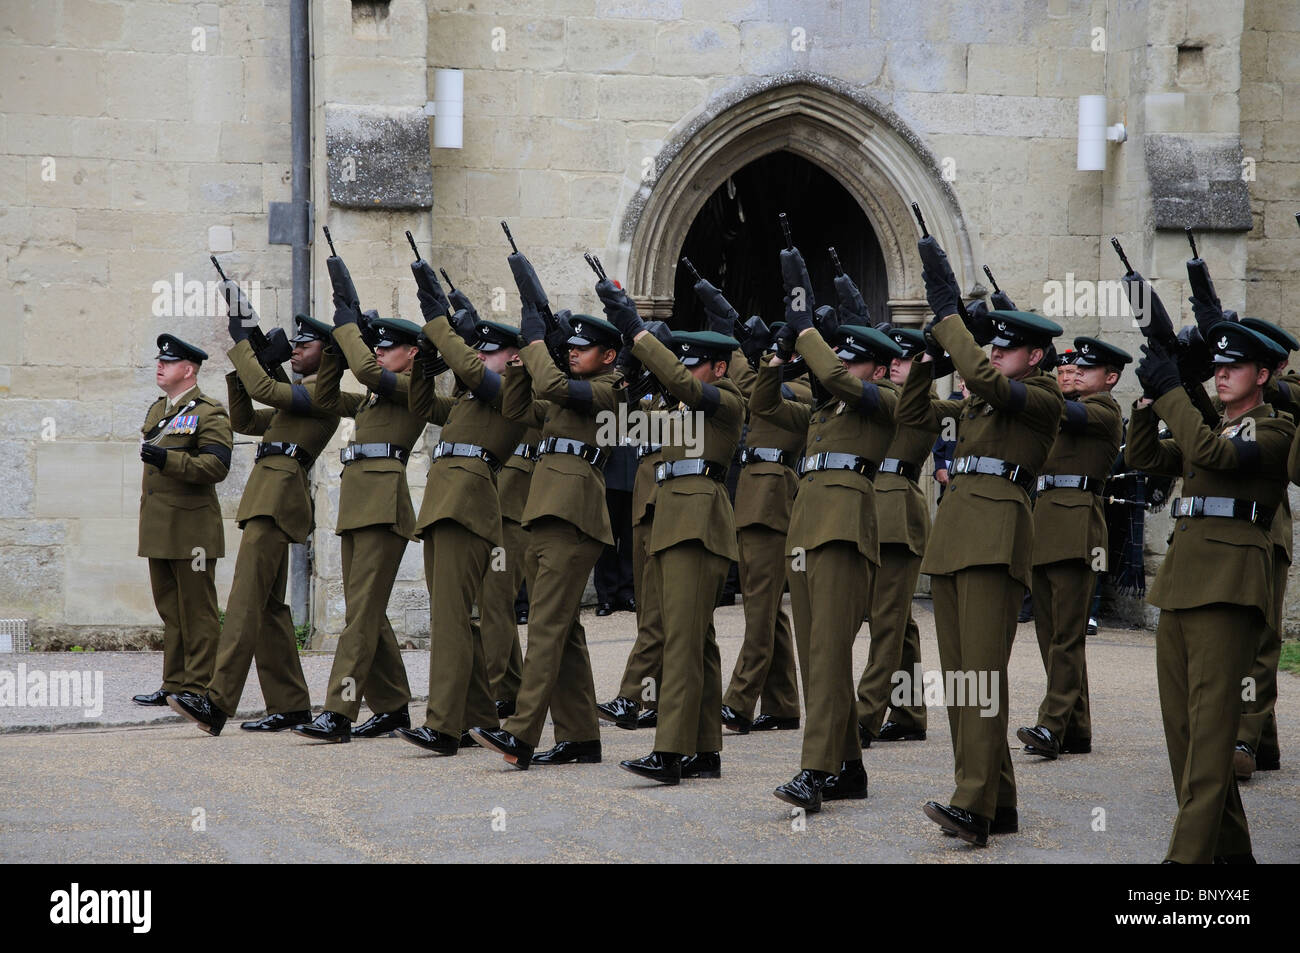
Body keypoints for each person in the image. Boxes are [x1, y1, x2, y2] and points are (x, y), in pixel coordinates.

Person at [898, 243, 1064, 845]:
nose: (994, 354)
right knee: (962, 679)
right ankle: (1002, 800)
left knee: (980, 679)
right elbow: (914, 416)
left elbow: (985, 381)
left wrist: (951, 320)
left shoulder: (1043, 399)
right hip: (955, 539)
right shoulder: (978, 405)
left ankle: (972, 803)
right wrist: (925, 354)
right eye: (990, 346)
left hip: (996, 541)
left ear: (1035, 355)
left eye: (1006, 347)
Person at [1126, 322, 1291, 863]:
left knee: (1211, 737)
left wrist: (1175, 389)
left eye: (1233, 367)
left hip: (1229, 590)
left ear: (1262, 375)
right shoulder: (1213, 428)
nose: (1220, 375)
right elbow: (1146, 458)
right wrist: (1148, 404)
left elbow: (1213, 456)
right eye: (1216, 367)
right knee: (1182, 735)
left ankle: (1185, 864)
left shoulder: (1277, 430)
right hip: (1181, 584)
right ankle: (1235, 858)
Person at [753, 314, 902, 811]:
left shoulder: (882, 402)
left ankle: (814, 772)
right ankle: (851, 768)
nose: (841, 365)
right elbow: (764, 405)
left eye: (854, 359)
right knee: (818, 656)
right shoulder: (825, 411)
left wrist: (805, 333)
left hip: (844, 532)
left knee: (829, 655)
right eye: (841, 357)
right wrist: (777, 357)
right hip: (807, 532)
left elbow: (836, 378)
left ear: (878, 369)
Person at [599, 279, 745, 784]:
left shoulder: (726, 400)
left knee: (681, 642)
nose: (685, 370)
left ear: (719, 367)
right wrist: (627, 365)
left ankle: (670, 752)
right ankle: (705, 748)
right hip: (670, 522)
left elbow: (683, 386)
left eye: (695, 361)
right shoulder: (680, 408)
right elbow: (631, 421)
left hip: (697, 523)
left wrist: (638, 331)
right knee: (697, 641)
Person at [169, 314, 340, 735]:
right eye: (294, 345)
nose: (297, 350)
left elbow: (268, 389)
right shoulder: (297, 396)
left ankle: (216, 701)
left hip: (278, 501)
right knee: (267, 608)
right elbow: (244, 420)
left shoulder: (324, 393)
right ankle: (290, 704)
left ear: (329, 355)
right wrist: (250, 362)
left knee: (244, 602)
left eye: (306, 345)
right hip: (267, 499)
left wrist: (244, 346)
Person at [470, 314, 624, 769]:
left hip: (573, 518)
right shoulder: (563, 397)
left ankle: (521, 734)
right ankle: (580, 738)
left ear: (609, 356)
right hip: (544, 514)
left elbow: (556, 388)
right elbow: (518, 409)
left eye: (584, 348)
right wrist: (520, 359)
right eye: (569, 346)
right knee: (563, 630)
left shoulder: (609, 390)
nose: (574, 352)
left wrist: (538, 342)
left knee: (545, 629)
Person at [396, 263, 534, 754]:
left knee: (450, 618)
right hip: (447, 501)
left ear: (516, 358)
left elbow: (473, 371)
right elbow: (421, 406)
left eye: (493, 351)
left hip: (466, 504)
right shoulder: (471, 399)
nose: (482, 357)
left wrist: (438, 322)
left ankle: (442, 725)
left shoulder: (513, 392)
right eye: (482, 350)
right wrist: (428, 358)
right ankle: (478, 715)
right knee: (460, 618)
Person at [293, 312, 426, 743]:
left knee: (362, 614)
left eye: (389, 348)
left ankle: (339, 711)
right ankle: (392, 708)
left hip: (384, 508)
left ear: (412, 354)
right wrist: (334, 346)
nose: (380, 353)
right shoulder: (372, 398)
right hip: (358, 504)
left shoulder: (412, 387)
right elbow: (327, 396)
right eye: (379, 346)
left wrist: (349, 328)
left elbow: (367, 369)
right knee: (363, 611)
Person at [1017, 336, 1128, 760]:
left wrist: (1035, 369)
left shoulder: (1103, 410)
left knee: (1066, 635)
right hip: (1044, 525)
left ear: (1110, 378)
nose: (1075, 372)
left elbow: (1058, 410)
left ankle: (1051, 724)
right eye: (1071, 367)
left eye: (1087, 368)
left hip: (1077, 529)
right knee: (1050, 635)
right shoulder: (1066, 409)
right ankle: (1077, 729)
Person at [133, 334, 232, 708]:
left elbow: (216, 466)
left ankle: (200, 687)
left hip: (192, 530)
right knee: (171, 610)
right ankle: (174, 683)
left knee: (198, 611)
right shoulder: (158, 411)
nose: (160, 366)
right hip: (160, 528)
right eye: (160, 360)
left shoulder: (209, 412)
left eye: (169, 362)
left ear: (188, 370)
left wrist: (167, 461)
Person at [719, 330, 810, 735]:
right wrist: (735, 341)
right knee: (767, 608)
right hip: (755, 496)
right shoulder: (775, 380)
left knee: (759, 608)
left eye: (783, 349)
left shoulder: (805, 387)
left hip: (773, 500)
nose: (775, 355)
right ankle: (784, 703)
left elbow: (758, 389)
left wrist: (741, 350)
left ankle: (739, 701)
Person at [855, 326, 939, 748]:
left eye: (906, 359)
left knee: (886, 623)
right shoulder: (873, 398)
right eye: (890, 359)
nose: (895, 366)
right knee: (898, 622)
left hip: (895, 517)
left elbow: (907, 406)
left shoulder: (922, 404)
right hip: (868, 511)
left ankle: (865, 715)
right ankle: (908, 713)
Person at [1233, 317, 1297, 780]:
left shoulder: (1289, 389)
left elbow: (1280, 396)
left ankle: (1243, 736)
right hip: (1227, 527)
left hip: (1267, 526)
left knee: (1261, 636)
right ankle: (1262, 739)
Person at [594, 443, 637, 616]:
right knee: (606, 538)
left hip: (635, 467)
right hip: (608, 467)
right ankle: (606, 595)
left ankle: (628, 591)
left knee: (631, 537)